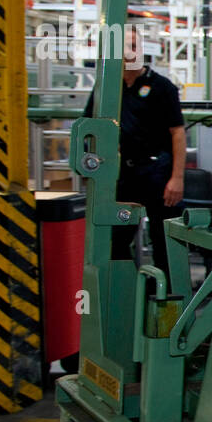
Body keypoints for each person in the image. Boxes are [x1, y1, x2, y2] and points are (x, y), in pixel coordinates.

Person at [84, 27, 186, 274]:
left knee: (164, 239)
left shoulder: (162, 87)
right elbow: (89, 126)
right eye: (123, 48)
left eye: (133, 46)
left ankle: (169, 299)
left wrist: (177, 178)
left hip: (158, 174)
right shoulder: (106, 89)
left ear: (142, 50)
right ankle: (122, 291)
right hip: (123, 176)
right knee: (116, 238)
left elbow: (178, 133)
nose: (129, 53)